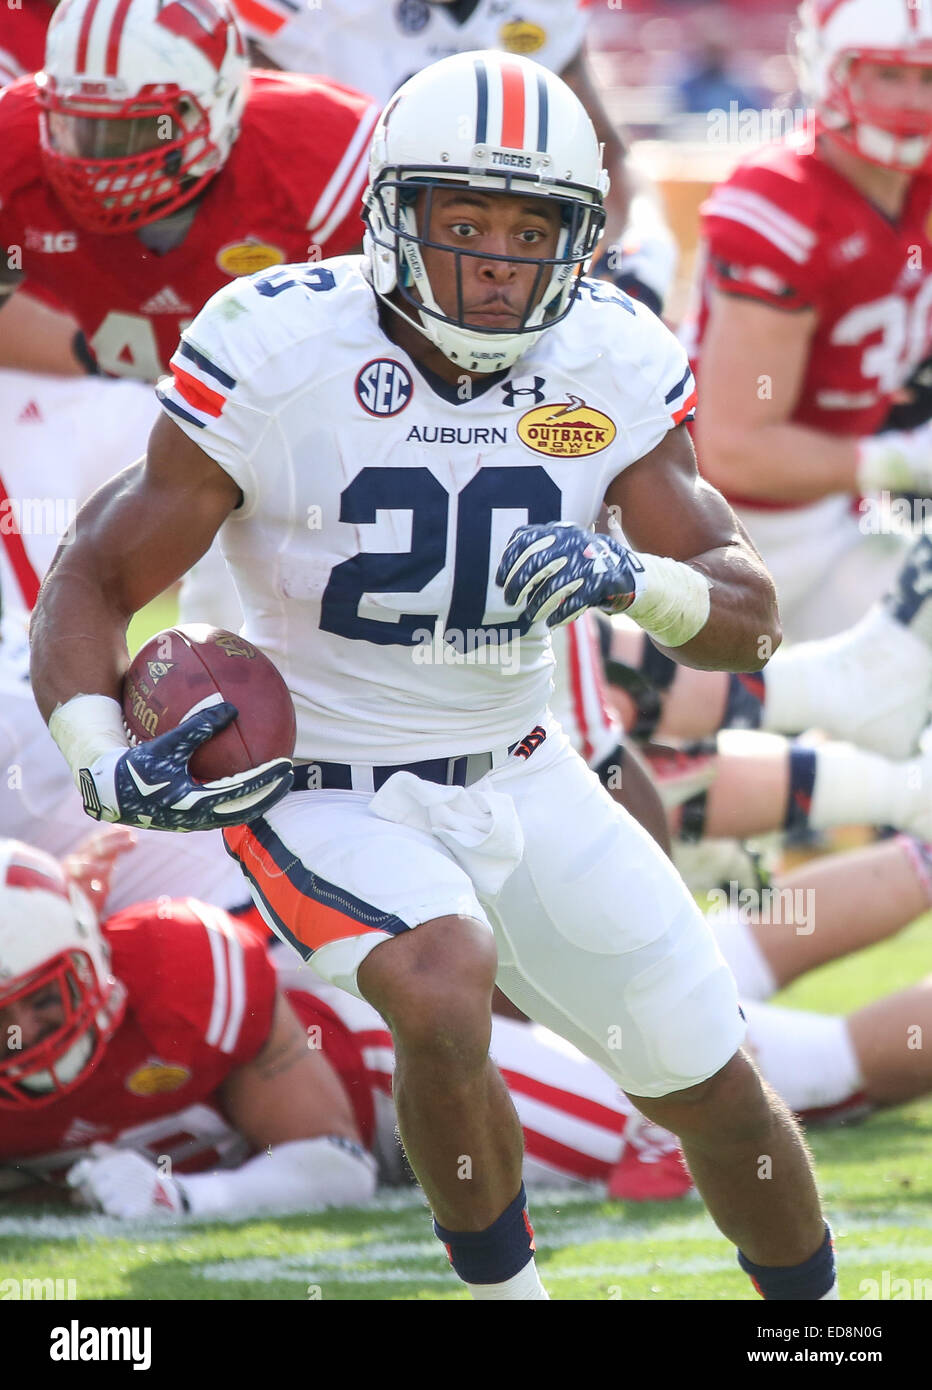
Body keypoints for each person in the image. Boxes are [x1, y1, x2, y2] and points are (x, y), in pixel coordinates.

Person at [31, 50, 838, 1302]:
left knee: (713, 1090)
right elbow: (94, 568)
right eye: (462, 222)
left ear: (582, 236)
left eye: (532, 229)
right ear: (391, 215)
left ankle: (819, 1328)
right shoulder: (277, 344)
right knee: (438, 974)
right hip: (311, 777)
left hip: (518, 767)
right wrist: (99, 753)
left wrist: (633, 581)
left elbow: (746, 614)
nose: (496, 260)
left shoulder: (610, 356)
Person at [0, 832, 690, 1213]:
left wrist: (177, 1197)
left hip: (371, 1076)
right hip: (273, 1128)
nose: (28, 1034)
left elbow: (337, 1164)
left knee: (658, 1122)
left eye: (48, 998)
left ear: (91, 959)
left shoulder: (180, 970)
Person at [681, 0, 932, 641]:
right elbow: (737, 451)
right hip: (716, 534)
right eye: (887, 75)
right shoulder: (783, 201)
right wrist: (909, 460)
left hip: (841, 520)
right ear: (829, 70)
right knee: (695, 723)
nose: (911, 101)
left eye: (928, 78)